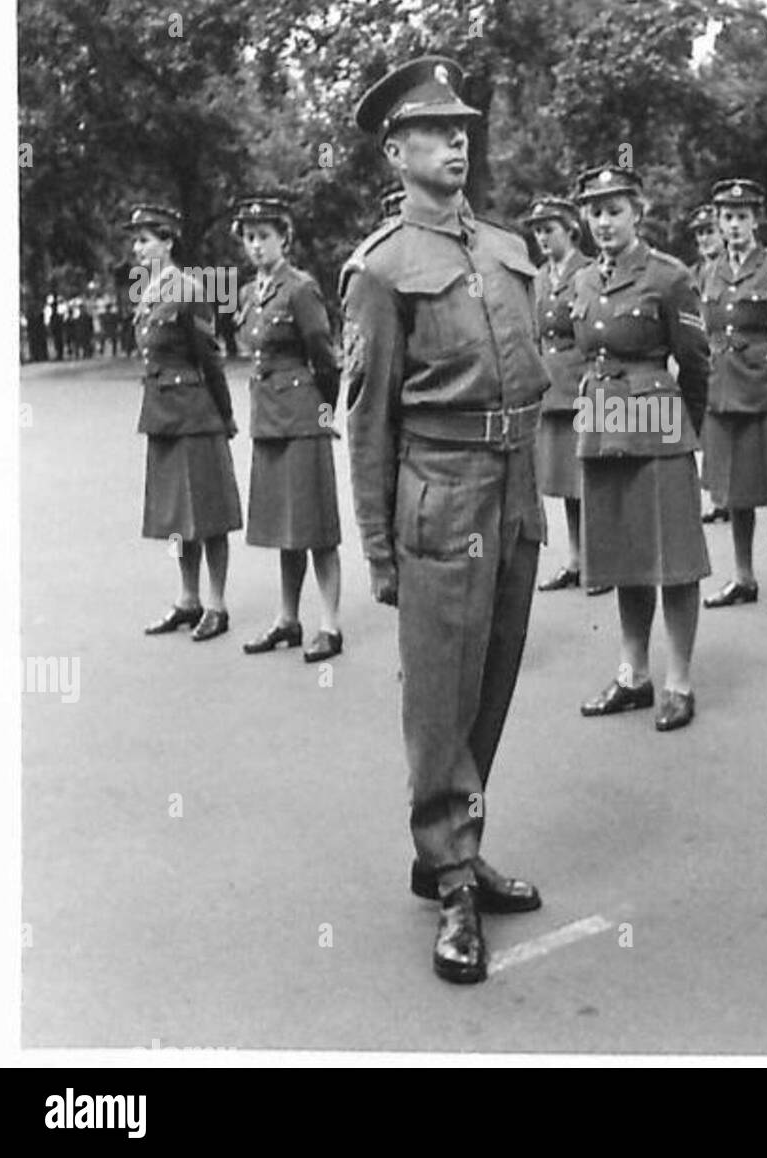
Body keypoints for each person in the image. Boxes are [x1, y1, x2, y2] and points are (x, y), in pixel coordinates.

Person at [340, 55, 547, 985]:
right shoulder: (381, 271)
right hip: (440, 491)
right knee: (438, 701)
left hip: (510, 489)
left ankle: (452, 848)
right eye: (435, 131)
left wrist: (532, 496)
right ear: (396, 150)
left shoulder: (507, 251)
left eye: (463, 130)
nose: (456, 143)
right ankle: (454, 881)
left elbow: (531, 384)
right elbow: (369, 415)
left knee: (490, 682)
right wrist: (379, 548)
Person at [571, 164, 711, 733]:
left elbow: (697, 364)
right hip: (603, 422)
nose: (604, 222)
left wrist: (685, 431)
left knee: (673, 560)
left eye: (614, 210)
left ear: (638, 213)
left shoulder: (669, 276)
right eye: (595, 211)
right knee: (624, 554)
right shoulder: (582, 280)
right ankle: (634, 674)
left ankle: (678, 682)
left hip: (657, 425)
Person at [234, 195, 344, 663]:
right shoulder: (247, 293)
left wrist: (323, 411)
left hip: (302, 418)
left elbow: (324, 355)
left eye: (265, 236)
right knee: (284, 526)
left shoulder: (300, 288)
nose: (256, 246)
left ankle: (330, 626)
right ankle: (287, 619)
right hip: (268, 420)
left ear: (284, 238)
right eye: (249, 237)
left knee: (316, 527)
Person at [699, 179, 767, 616]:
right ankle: (743, 577)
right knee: (734, 493)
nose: (735, 225)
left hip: (763, 394)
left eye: (743, 216)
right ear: (719, 222)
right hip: (722, 394)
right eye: (727, 217)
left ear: (756, 220)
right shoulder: (710, 272)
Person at [133, 204, 241, 641]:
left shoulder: (190, 289)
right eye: (136, 240)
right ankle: (187, 598)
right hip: (161, 415)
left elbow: (209, 357)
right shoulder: (147, 290)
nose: (136, 248)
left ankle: (216, 604)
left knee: (208, 514)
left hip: (196, 415)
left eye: (144, 239)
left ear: (167, 242)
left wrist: (226, 414)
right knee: (177, 517)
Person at [523, 195, 601, 594]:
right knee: (567, 482)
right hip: (551, 390)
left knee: (591, 478)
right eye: (537, 231)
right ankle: (575, 560)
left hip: (584, 386)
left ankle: (602, 562)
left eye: (548, 229)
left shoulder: (589, 272)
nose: (542, 237)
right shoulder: (538, 277)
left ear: (570, 230)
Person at [689, 203, 730, 525]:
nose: (705, 239)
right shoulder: (696, 273)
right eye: (700, 234)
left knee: (729, 431)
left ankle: (731, 496)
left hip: (732, 358)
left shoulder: (733, 267)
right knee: (711, 431)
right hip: (707, 358)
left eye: (709, 232)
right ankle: (719, 496)